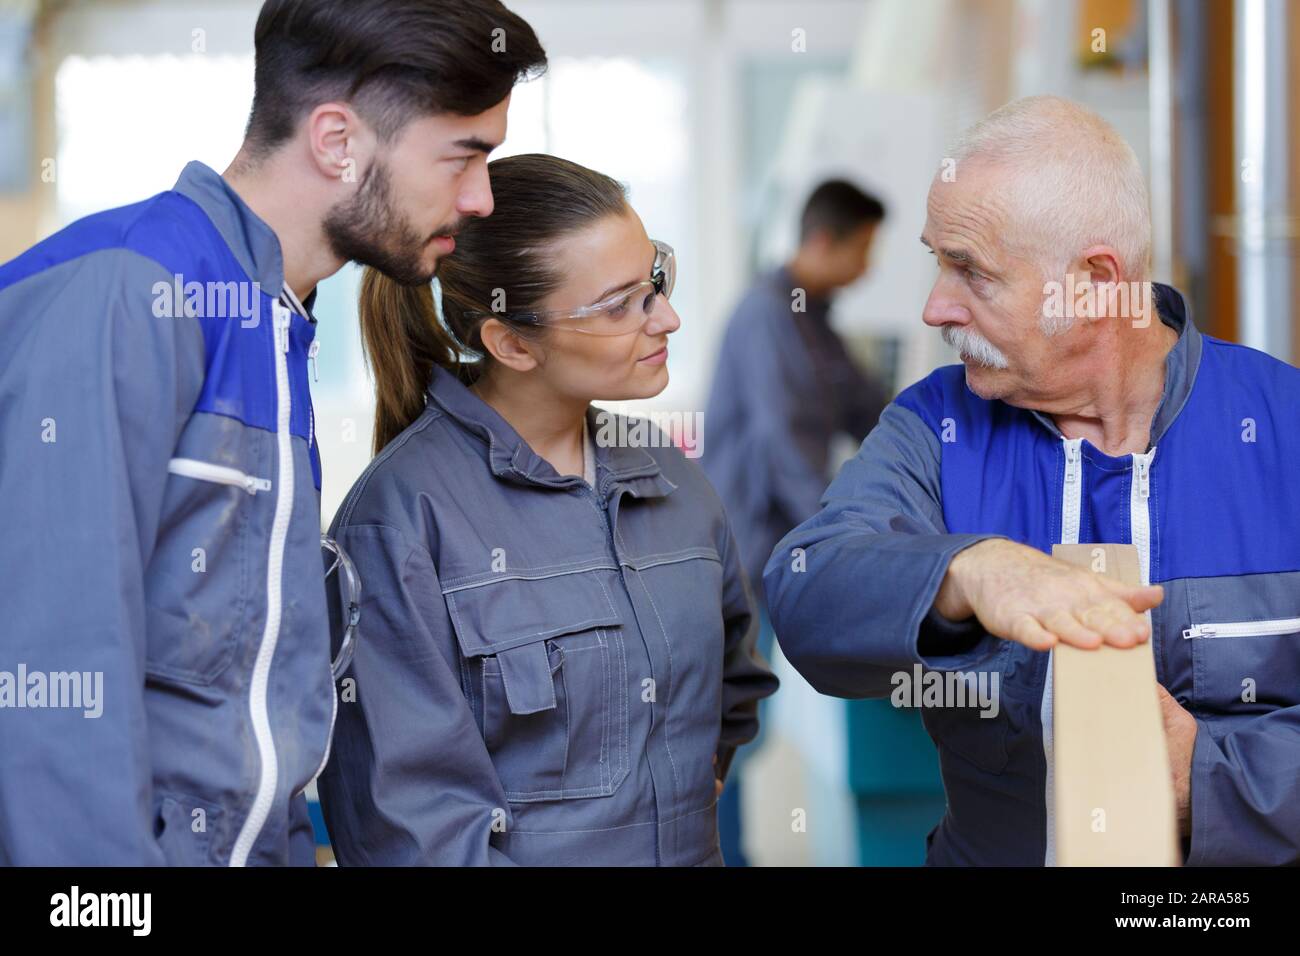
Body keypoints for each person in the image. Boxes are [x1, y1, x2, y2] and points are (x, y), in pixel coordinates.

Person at [0, 0, 545, 865]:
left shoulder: (276, 322)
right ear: (337, 141)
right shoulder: (132, 292)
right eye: (465, 155)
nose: (480, 197)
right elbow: (48, 688)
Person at [764, 95, 1300, 866]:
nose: (934, 307)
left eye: (970, 271)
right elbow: (805, 589)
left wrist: (1206, 779)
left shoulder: (1283, 426)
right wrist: (967, 569)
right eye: (936, 260)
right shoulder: (935, 427)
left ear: (1093, 282)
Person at [317, 153, 779, 866]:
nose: (669, 318)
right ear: (512, 342)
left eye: (655, 280)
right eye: (620, 304)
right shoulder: (401, 521)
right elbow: (411, 831)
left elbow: (734, 682)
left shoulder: (669, 476)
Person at [701, 179, 890, 863]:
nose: (869, 266)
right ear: (821, 241)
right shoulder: (765, 316)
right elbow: (783, 445)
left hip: (782, 549)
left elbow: (870, 406)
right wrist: (837, 537)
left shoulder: (815, 319)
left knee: (749, 718)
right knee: (730, 725)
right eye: (864, 249)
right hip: (746, 550)